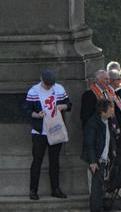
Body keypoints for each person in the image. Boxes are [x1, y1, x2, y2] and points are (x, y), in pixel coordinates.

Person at [25, 69, 72, 200]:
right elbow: (26, 109)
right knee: (37, 161)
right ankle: (33, 190)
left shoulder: (59, 89)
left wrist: (63, 107)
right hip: (39, 132)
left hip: (55, 129)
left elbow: (69, 104)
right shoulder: (33, 91)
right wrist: (36, 115)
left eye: (51, 85)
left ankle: (55, 189)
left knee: (54, 161)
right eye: (47, 85)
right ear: (41, 80)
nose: (49, 87)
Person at [84, 98, 116, 212]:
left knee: (100, 186)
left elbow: (110, 136)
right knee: (96, 187)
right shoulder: (93, 123)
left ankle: (100, 207)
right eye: (110, 110)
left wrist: (113, 149)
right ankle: (96, 209)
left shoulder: (108, 120)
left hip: (105, 157)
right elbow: (89, 144)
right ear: (103, 112)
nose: (112, 112)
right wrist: (93, 162)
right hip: (97, 159)